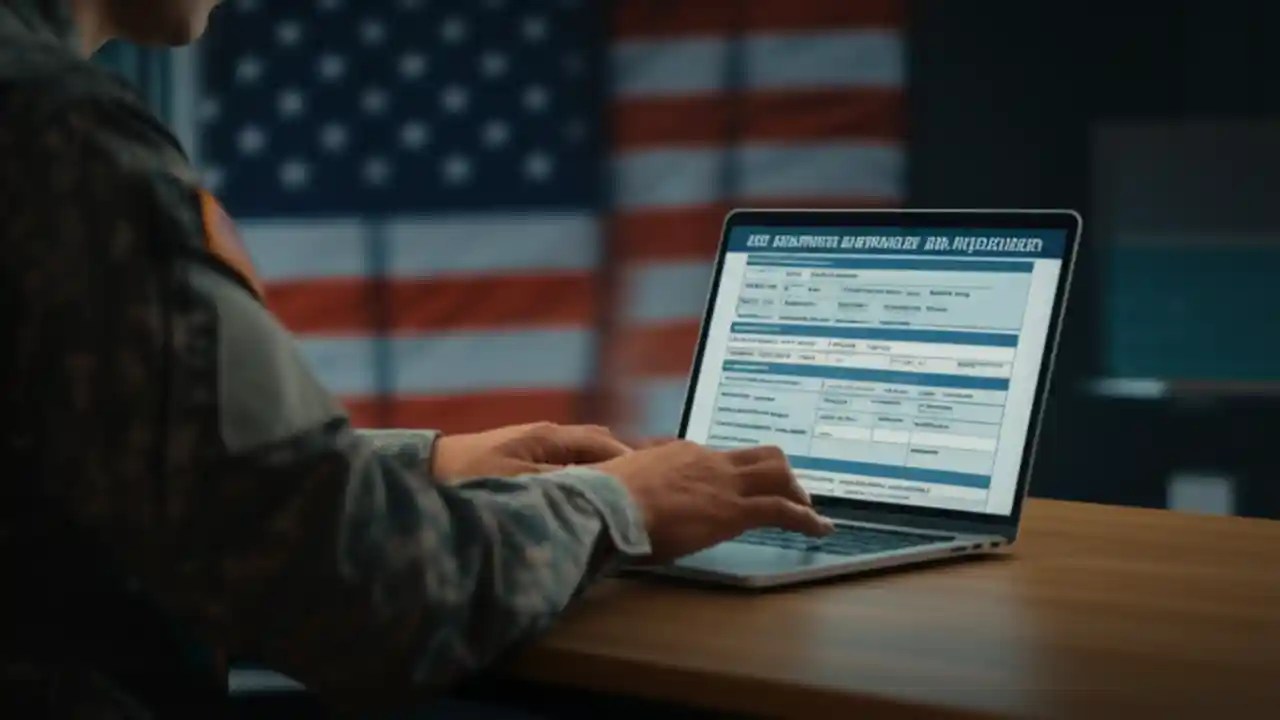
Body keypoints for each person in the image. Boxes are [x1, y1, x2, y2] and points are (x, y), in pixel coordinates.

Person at [0, 0, 833, 716]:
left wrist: (433, 464)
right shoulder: (57, 137)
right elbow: (364, 592)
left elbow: (105, 454)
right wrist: (613, 506)